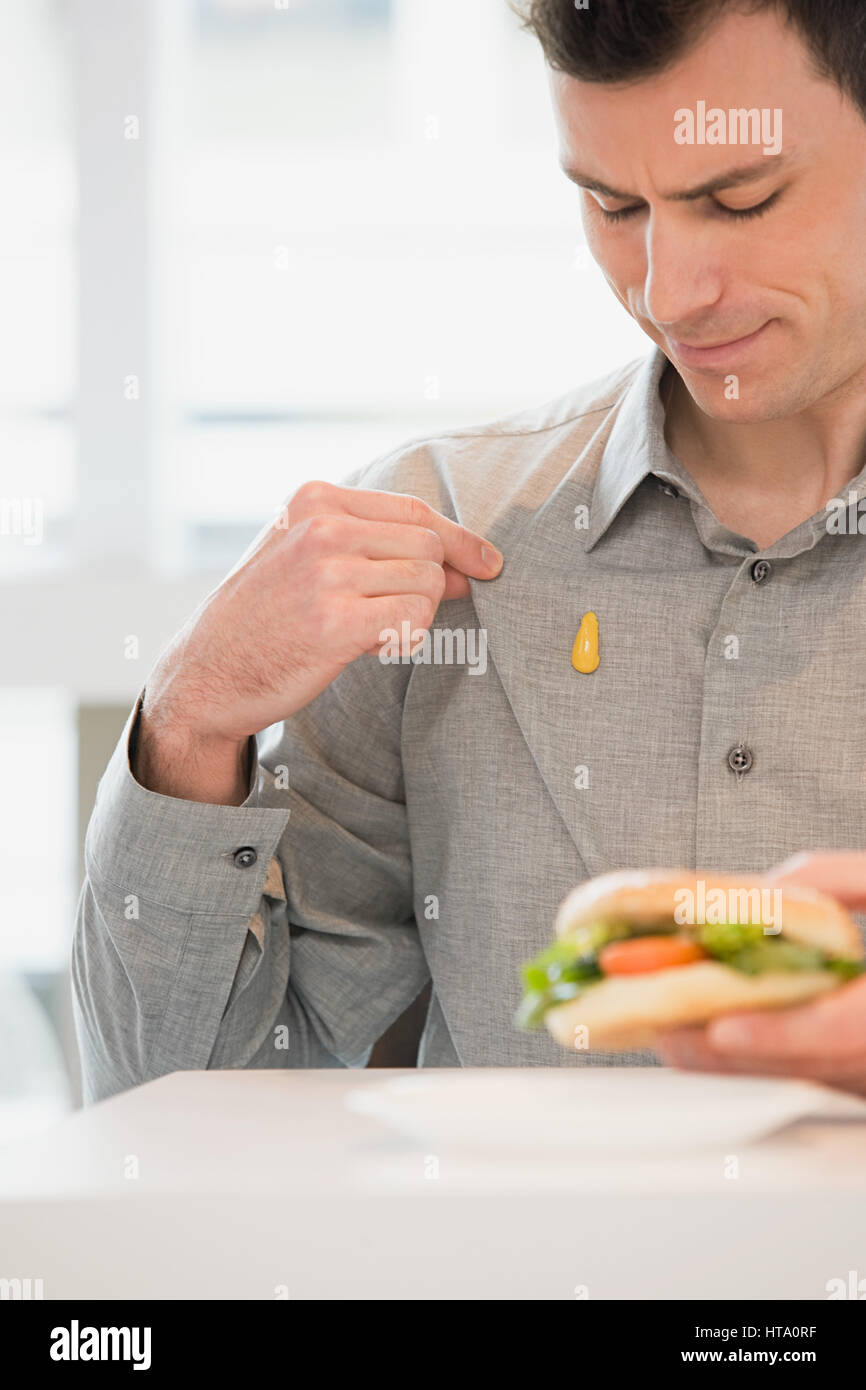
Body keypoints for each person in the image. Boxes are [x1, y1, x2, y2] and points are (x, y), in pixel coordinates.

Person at [73, 0, 866, 1102]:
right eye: (611, 203)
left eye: (736, 201)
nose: (665, 291)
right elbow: (171, 1116)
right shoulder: (430, 544)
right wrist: (192, 717)